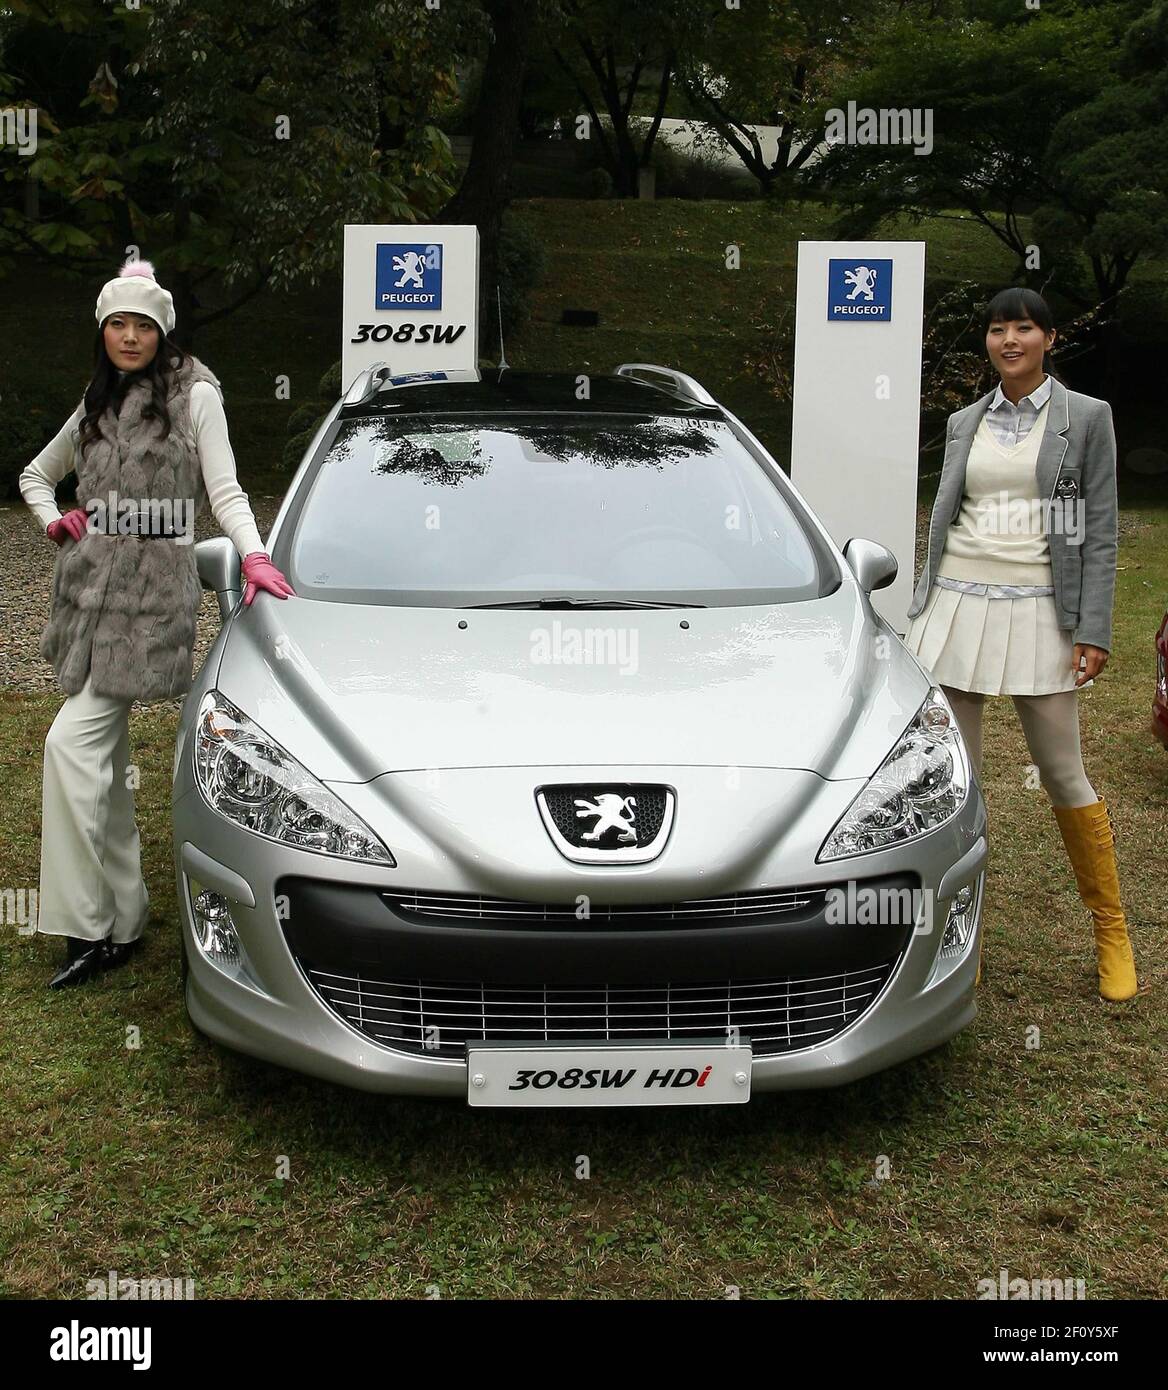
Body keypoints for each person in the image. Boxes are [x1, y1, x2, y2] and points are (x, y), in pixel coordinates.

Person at [19, 257, 295, 988]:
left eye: (144, 324)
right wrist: (58, 523)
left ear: (162, 331)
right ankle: (125, 917)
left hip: (151, 593)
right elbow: (35, 476)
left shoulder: (197, 395)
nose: (131, 336)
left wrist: (255, 555)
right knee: (99, 764)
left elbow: (226, 489)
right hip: (88, 590)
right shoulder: (95, 402)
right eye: (119, 323)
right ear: (103, 330)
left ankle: (88, 924)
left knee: (68, 747)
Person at [903, 286, 1139, 1001]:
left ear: (1050, 338)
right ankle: (954, 946)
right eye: (999, 329)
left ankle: (1111, 932)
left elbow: (1096, 529)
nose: (1010, 340)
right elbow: (951, 518)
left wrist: (1091, 627)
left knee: (1063, 772)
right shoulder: (963, 420)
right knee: (952, 786)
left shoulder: (1086, 418)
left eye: (1024, 328)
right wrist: (922, 602)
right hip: (956, 610)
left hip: (1042, 610)